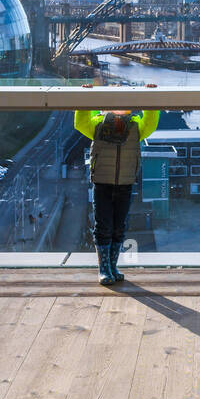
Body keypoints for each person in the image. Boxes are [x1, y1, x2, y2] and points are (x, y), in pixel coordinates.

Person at [75, 109, 162, 285]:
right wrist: (88, 95)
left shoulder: (136, 125)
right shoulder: (98, 123)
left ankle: (111, 267)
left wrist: (149, 96)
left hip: (124, 183)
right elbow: (81, 122)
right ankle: (104, 269)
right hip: (103, 183)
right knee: (103, 227)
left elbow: (151, 121)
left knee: (119, 227)